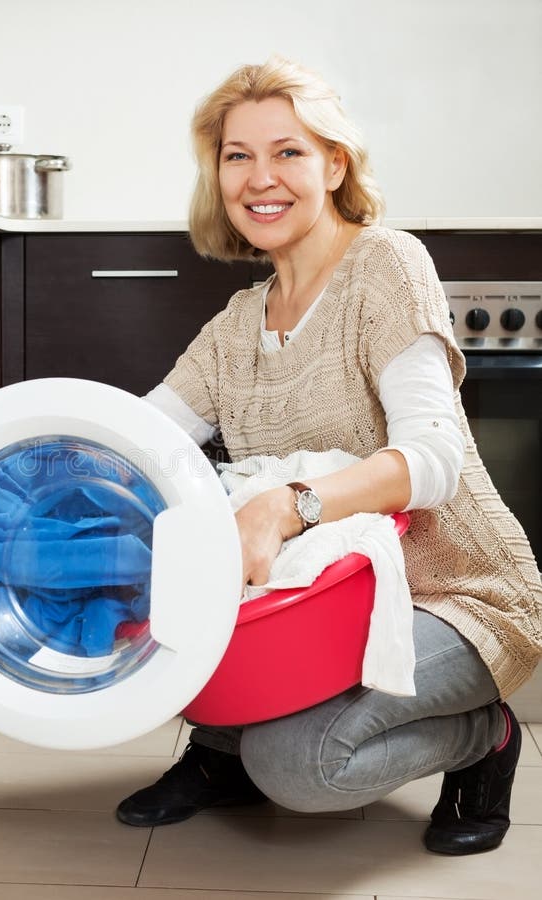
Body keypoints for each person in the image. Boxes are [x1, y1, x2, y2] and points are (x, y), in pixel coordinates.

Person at [115, 57, 542, 855]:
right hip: (321, 600)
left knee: (300, 765)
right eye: (236, 156)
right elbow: (140, 438)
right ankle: (220, 756)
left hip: (452, 593)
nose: (258, 178)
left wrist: (288, 503)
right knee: (170, 620)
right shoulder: (236, 325)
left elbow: (434, 456)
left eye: (287, 152)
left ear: (333, 164)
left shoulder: (384, 266)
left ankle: (482, 739)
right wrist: (50, 474)